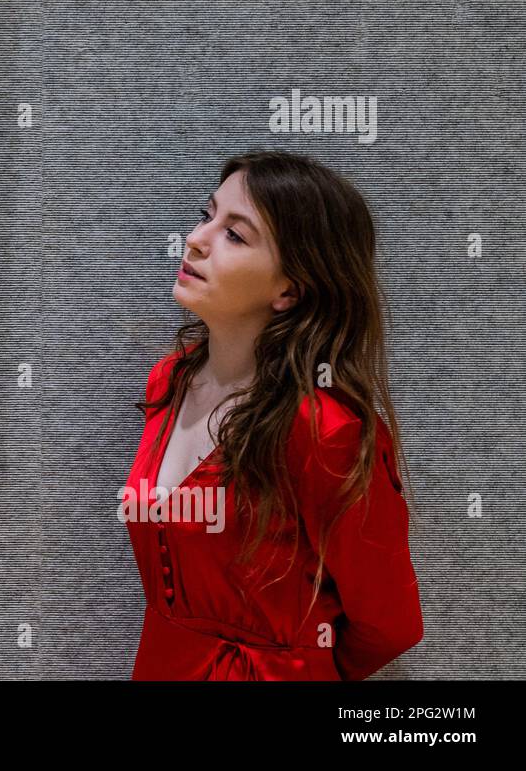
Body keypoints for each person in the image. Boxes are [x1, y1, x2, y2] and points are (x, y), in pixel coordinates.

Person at [122, 150, 423, 680]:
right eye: (206, 214)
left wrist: (293, 661)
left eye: (235, 235)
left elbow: (391, 624)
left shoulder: (324, 431)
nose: (196, 239)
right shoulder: (169, 379)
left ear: (290, 288)